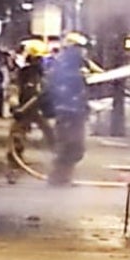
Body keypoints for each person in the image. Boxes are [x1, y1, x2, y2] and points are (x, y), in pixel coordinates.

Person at [45, 35, 96, 186]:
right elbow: (64, 89)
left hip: (74, 112)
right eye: (81, 49)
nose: (83, 52)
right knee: (69, 146)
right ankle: (58, 177)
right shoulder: (67, 68)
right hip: (69, 113)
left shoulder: (70, 66)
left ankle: (64, 177)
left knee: (74, 147)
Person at [6, 40, 55, 181]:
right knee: (16, 139)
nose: (39, 62)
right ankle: (13, 168)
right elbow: (14, 89)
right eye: (37, 58)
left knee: (53, 137)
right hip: (24, 110)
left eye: (40, 59)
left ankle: (62, 170)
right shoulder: (23, 74)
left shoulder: (46, 76)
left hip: (39, 111)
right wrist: (15, 106)